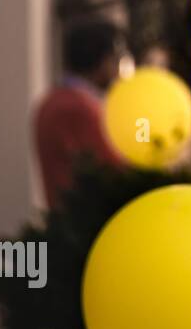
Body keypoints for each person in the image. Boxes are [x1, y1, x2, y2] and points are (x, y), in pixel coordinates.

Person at [32, 17, 124, 209]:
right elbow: (113, 171)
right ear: (102, 60)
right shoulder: (79, 107)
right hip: (85, 225)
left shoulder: (53, 101)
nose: (118, 71)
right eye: (116, 59)